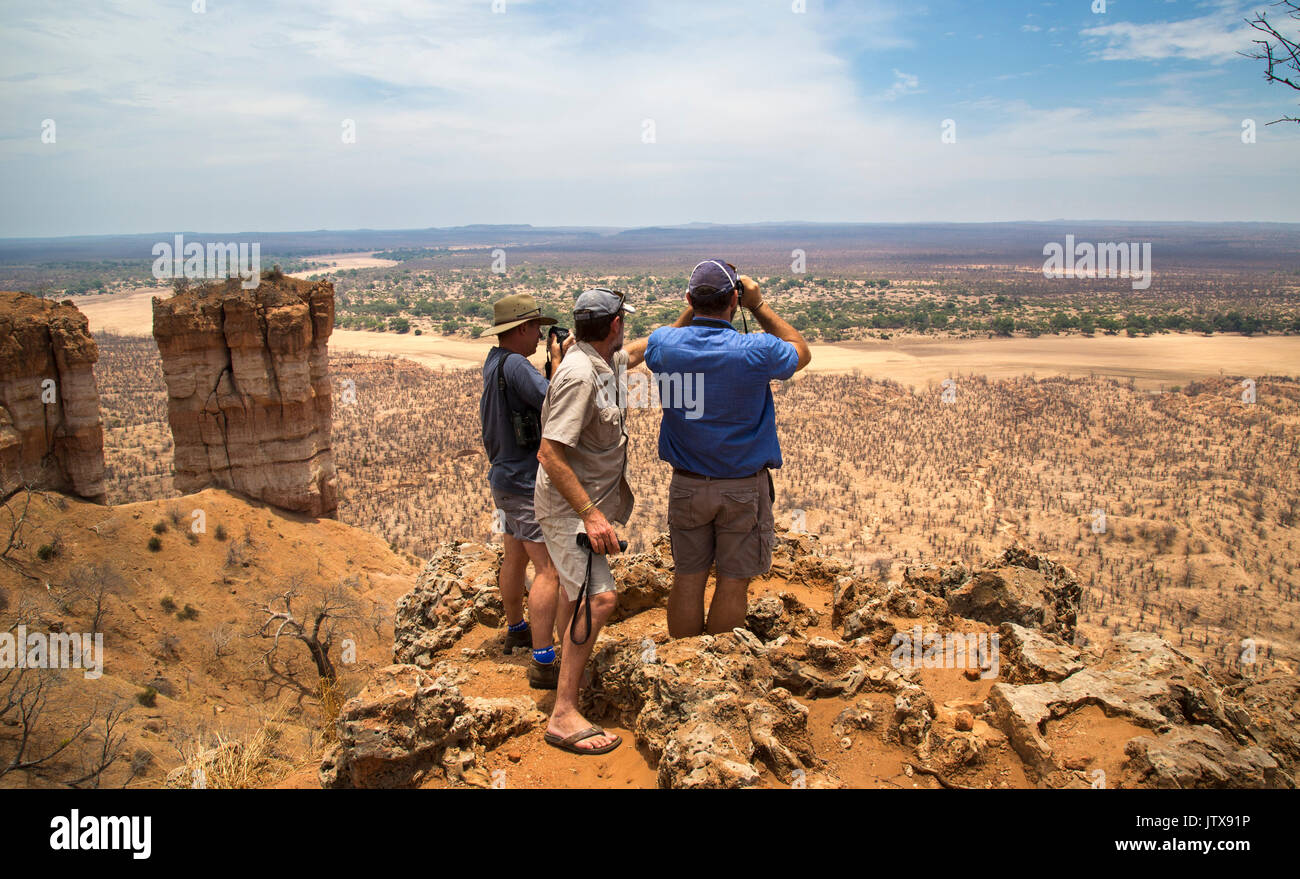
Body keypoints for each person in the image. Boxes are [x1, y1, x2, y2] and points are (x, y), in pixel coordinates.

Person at [644, 259, 811, 638]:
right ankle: (720, 668)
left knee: (688, 578)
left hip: (687, 485)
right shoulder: (755, 351)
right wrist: (757, 304)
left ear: (689, 298)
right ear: (733, 300)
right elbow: (800, 350)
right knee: (734, 581)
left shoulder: (664, 346)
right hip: (741, 488)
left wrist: (696, 302)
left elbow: (667, 338)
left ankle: (686, 663)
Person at [533, 288, 660, 754]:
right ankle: (563, 715)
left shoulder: (600, 361)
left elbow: (634, 355)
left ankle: (570, 684)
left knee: (575, 594)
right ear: (613, 325)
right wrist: (590, 515)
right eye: (622, 322)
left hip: (575, 508)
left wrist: (686, 320)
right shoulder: (581, 375)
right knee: (601, 599)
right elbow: (549, 453)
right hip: (568, 511)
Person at [479, 292, 570, 689]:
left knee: (513, 554)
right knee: (548, 571)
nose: (537, 333)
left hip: (502, 478)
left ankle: (516, 627)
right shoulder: (516, 364)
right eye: (534, 326)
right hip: (523, 482)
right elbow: (558, 399)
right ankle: (543, 661)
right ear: (519, 329)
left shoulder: (494, 361)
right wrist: (558, 362)